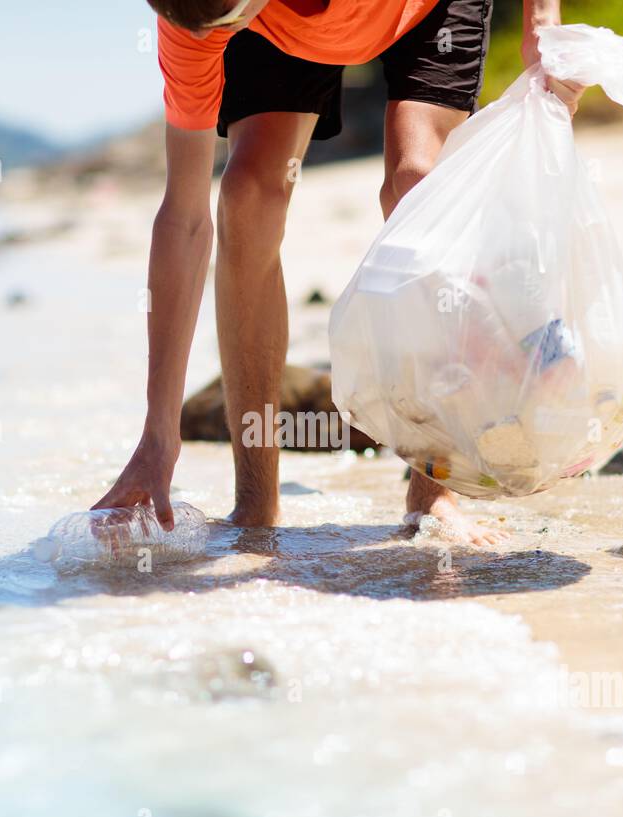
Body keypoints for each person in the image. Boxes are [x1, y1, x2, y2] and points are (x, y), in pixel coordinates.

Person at [95, 1, 584, 544]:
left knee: (416, 182)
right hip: (283, 24)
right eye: (219, 29)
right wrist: (157, 436)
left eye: (232, 19)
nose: (224, 35)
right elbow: (184, 221)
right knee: (248, 196)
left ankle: (434, 491)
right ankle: (255, 505)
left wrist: (542, 24)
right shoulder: (197, 20)